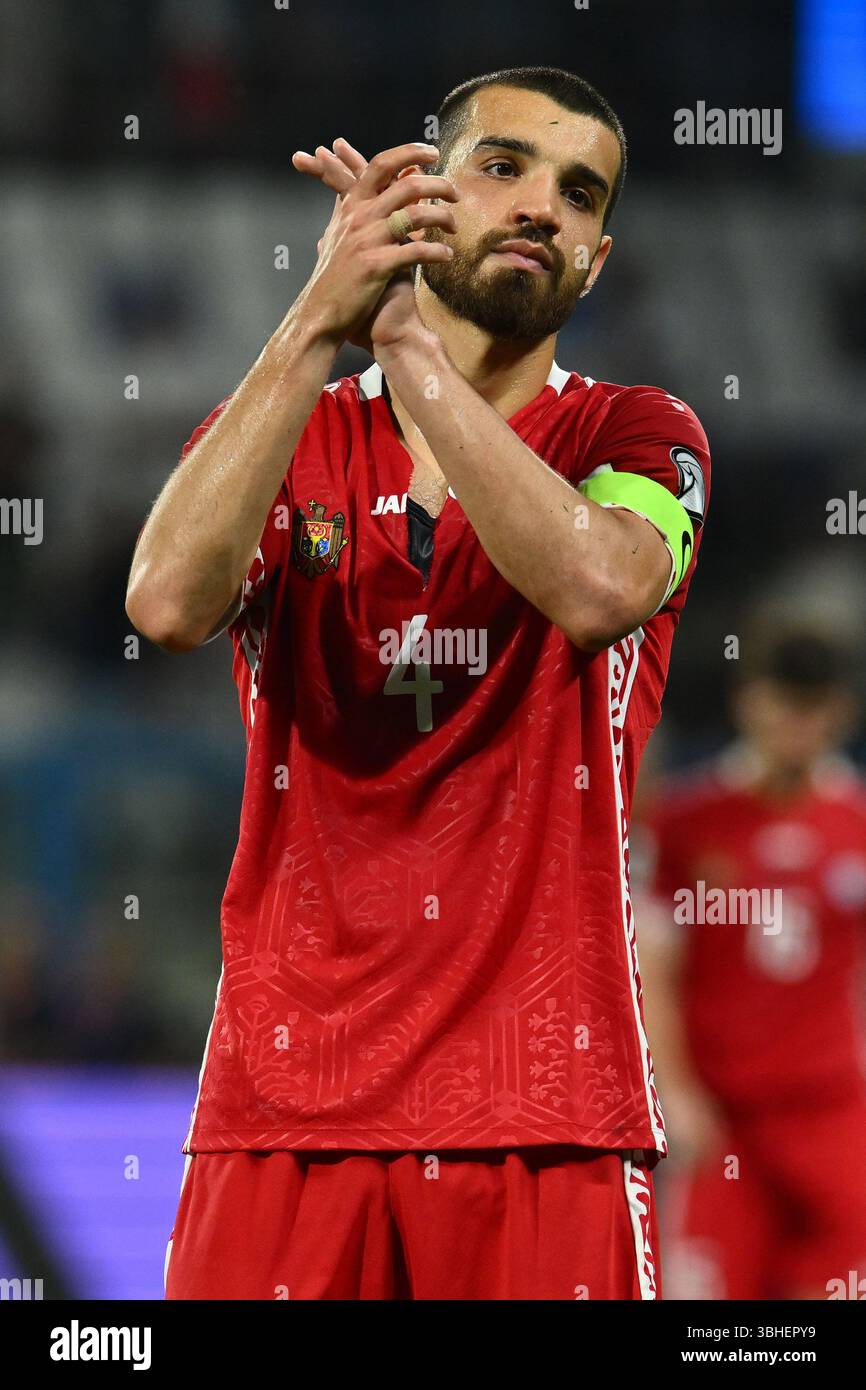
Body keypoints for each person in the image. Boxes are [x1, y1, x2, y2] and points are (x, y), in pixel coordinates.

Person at [126, 65, 710, 1301]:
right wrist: (314, 326)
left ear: (596, 261)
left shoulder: (637, 435)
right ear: (423, 196)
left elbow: (600, 588)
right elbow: (167, 603)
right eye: (503, 166)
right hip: (282, 1103)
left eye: (577, 192)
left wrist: (406, 353)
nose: (541, 206)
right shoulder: (286, 436)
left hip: (542, 1108)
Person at [636, 626, 866, 1300]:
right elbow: (652, 968)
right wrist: (674, 1091)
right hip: (724, 1113)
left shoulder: (856, 821)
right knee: (716, 1311)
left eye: (813, 703)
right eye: (783, 700)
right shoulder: (686, 824)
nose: (797, 722)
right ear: (748, 702)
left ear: (840, 711)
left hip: (831, 1109)